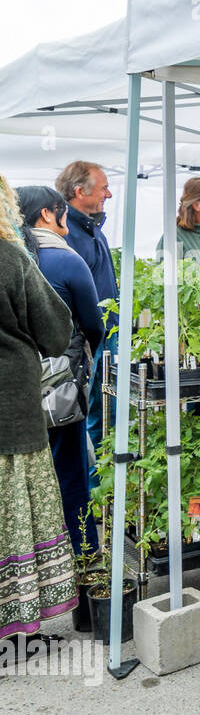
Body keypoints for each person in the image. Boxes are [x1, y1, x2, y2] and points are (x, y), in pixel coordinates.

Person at [0, 175, 78, 643]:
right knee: (13, 514)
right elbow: (54, 329)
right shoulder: (9, 257)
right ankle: (15, 627)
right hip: (10, 412)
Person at [17, 186, 106, 582]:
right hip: (59, 390)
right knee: (70, 474)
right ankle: (85, 566)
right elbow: (94, 324)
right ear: (48, 216)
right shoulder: (65, 261)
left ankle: (33, 576)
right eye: (62, 210)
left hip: (16, 391)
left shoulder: (15, 259)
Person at [56, 161, 116, 483]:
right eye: (103, 187)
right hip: (89, 338)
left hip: (107, 333)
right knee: (92, 410)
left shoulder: (93, 227)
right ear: (79, 191)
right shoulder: (68, 232)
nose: (109, 193)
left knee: (108, 409)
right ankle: (94, 484)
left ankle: (106, 479)